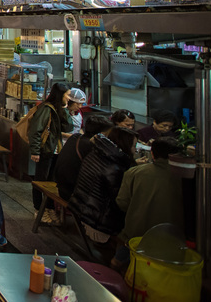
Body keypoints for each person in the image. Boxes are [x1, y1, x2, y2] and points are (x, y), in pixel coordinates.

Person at [113, 136, 184, 269]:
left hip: (136, 237)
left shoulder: (134, 172)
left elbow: (122, 203)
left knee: (122, 251)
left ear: (152, 153)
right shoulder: (185, 178)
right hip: (173, 239)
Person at [68, 127, 137, 242]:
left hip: (82, 206)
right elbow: (120, 202)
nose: (135, 150)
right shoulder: (114, 168)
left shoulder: (97, 154)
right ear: (124, 145)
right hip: (97, 218)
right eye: (134, 146)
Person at [28, 82, 71, 216]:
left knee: (51, 181)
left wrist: (66, 110)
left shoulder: (57, 109)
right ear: (60, 95)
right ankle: (38, 209)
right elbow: (35, 131)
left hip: (55, 150)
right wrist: (35, 151)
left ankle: (49, 208)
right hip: (45, 150)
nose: (69, 98)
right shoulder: (45, 109)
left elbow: (68, 127)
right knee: (40, 180)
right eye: (67, 95)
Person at [55, 115, 114, 202]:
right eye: (107, 134)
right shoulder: (92, 146)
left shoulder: (75, 137)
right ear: (100, 134)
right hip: (73, 193)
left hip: (62, 187)